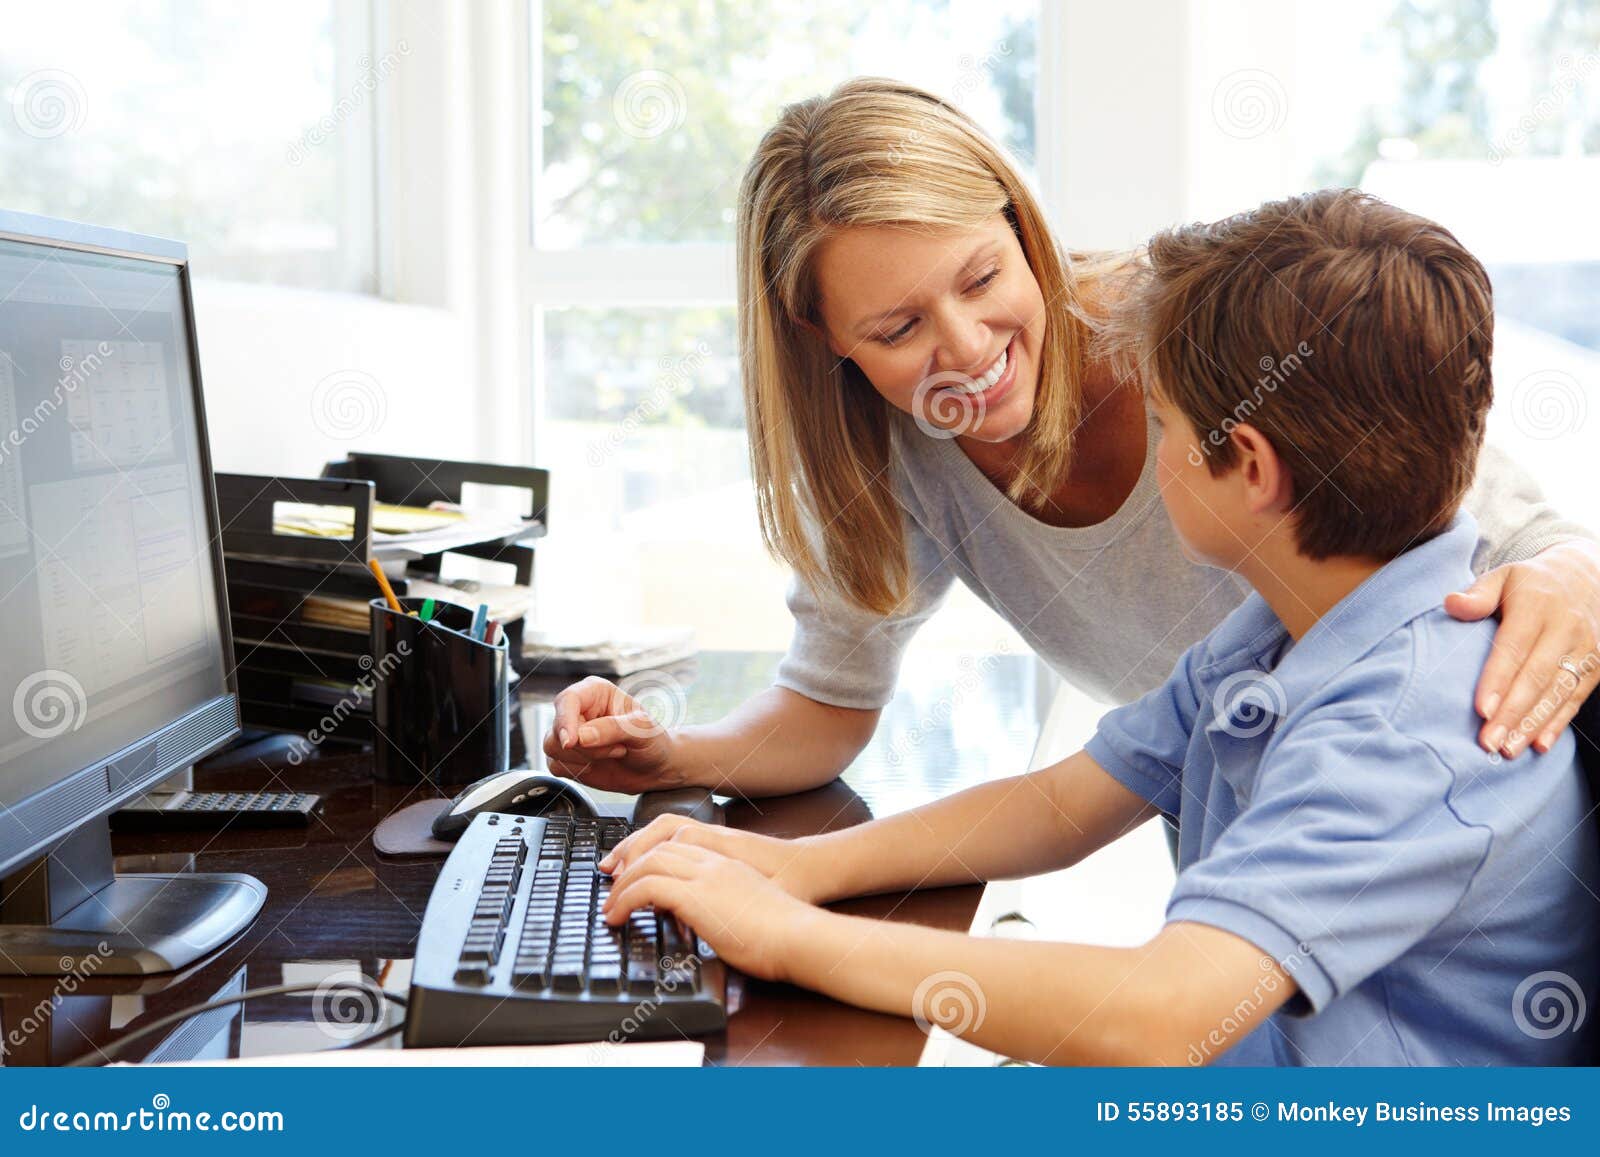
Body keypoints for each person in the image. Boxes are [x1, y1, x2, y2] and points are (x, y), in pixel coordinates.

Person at [595, 190, 1600, 1066]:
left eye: (1164, 423)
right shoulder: (1277, 631)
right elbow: (1064, 803)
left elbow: (1163, 1016)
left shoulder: (1407, 725)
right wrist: (791, 867)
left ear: (1248, 466)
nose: (1144, 449)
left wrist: (784, 936)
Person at [544, 77, 1599, 804]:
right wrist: (670, 754)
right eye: (897, 330)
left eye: (981, 277)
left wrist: (1570, 575)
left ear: (1020, 224)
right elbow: (829, 701)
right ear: (824, 339)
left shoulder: (1187, 327)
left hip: (1419, 790)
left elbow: (1525, 535)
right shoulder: (885, 454)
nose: (969, 350)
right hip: (1235, 807)